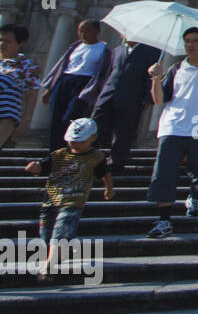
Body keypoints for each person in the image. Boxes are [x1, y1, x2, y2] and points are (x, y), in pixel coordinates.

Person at [144, 26, 198, 238]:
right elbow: (158, 99)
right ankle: (164, 219)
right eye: (187, 41)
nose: (190, 45)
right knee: (164, 172)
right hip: (173, 124)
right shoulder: (175, 69)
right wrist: (155, 78)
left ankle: (196, 196)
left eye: (194, 40)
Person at [24, 117, 114, 279]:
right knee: (46, 231)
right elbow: (43, 166)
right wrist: (35, 167)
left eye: (80, 141)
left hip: (74, 201)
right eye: (72, 141)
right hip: (51, 199)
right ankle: (54, 255)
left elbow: (104, 174)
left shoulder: (95, 158)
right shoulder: (58, 155)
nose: (75, 144)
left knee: (61, 229)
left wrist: (109, 189)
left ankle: (49, 266)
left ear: (92, 138)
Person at [90, 39, 162, 175]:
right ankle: (90, 159)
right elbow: (109, 72)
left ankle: (115, 165)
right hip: (108, 94)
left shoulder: (152, 52)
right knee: (95, 124)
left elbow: (150, 78)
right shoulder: (118, 50)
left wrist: (147, 98)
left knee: (123, 133)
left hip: (132, 96)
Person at [40, 20, 110, 151]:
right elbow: (61, 67)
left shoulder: (103, 50)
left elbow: (103, 73)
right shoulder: (75, 47)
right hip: (66, 80)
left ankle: (69, 147)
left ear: (96, 31)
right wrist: (49, 89)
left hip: (85, 83)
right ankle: (54, 151)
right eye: (80, 31)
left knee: (71, 116)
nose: (82, 34)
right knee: (56, 117)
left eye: (86, 30)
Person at [0, 24, 41, 150]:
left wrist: (25, 122)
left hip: (6, 117)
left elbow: (32, 94)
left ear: (20, 43)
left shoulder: (26, 65)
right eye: (0, 40)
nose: (2, 44)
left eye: (8, 41)